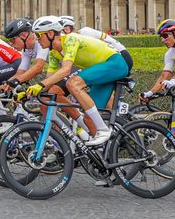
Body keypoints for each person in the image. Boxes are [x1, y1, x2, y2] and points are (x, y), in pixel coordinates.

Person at [24, 15, 127, 150]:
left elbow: (66, 70)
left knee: (72, 83)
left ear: (50, 33)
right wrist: (28, 92)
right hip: (102, 72)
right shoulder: (54, 53)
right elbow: (49, 81)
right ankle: (104, 154)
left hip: (115, 63)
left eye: (38, 36)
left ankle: (103, 130)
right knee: (88, 119)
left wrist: (40, 85)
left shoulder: (70, 39)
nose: (37, 40)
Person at [3, 18, 52, 91]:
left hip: (71, 66)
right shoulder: (26, 49)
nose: (10, 44)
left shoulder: (40, 41)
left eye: (12, 40)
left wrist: (17, 81)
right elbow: (20, 73)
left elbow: (38, 67)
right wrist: (0, 89)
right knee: (44, 94)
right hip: (60, 69)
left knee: (52, 91)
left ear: (23, 35)